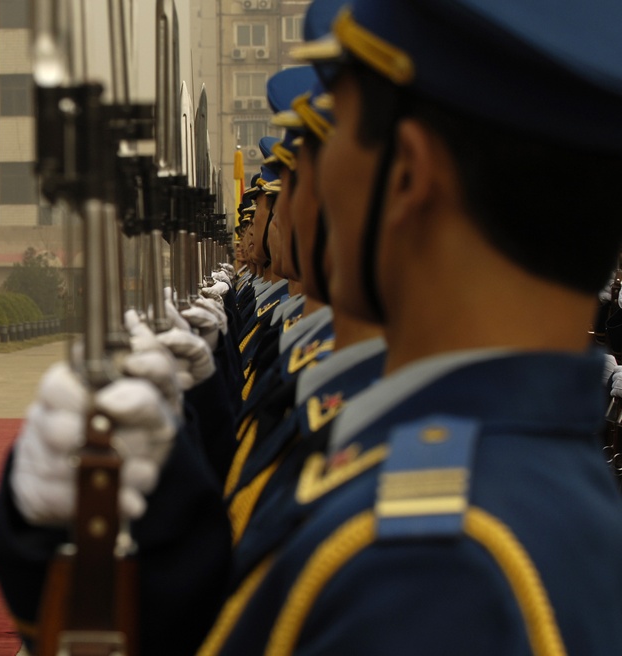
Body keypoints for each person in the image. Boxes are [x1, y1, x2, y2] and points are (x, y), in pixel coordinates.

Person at [204, 0, 622, 652]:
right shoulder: (505, 494)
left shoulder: (433, 569)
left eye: (334, 142)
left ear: (405, 174)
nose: (300, 203)